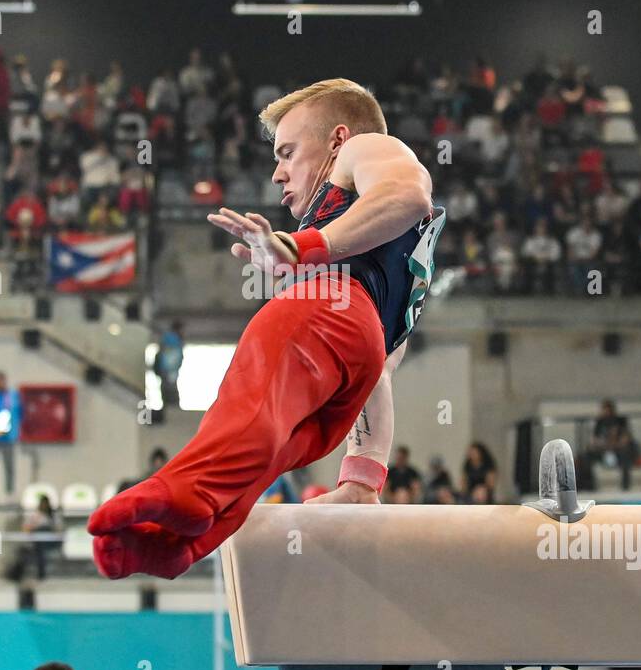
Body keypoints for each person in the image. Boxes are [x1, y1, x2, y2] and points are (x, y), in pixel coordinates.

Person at [87, 77, 443, 580]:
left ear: (339, 141)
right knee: (267, 450)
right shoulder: (392, 259)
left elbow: (407, 193)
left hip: (337, 317)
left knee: (255, 381)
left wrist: (302, 249)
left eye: (287, 152)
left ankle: (187, 491)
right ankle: (184, 542)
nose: (277, 173)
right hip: (357, 373)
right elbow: (378, 371)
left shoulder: (368, 148)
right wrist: (363, 478)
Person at [584, 400, 639, 491]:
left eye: (606, 410)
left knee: (626, 454)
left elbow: (625, 438)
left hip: (619, 449)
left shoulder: (620, 420)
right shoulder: (600, 422)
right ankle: (590, 485)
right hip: (604, 449)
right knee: (587, 455)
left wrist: (614, 443)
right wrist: (603, 445)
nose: (604, 412)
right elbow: (594, 439)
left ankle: (625, 486)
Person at [153, 321, 185, 408]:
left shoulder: (172, 338)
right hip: (168, 368)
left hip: (169, 368)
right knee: (169, 388)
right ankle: (171, 406)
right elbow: (172, 354)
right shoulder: (172, 338)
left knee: (168, 388)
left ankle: (169, 405)